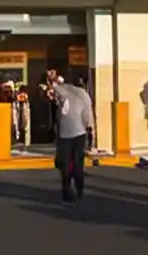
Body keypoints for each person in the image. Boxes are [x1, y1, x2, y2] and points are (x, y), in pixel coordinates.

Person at [53, 74, 94, 204]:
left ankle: (66, 189)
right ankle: (79, 189)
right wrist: (89, 126)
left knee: (64, 163)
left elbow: (57, 103)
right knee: (78, 162)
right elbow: (87, 114)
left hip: (64, 132)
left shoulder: (61, 89)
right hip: (79, 132)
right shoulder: (83, 94)